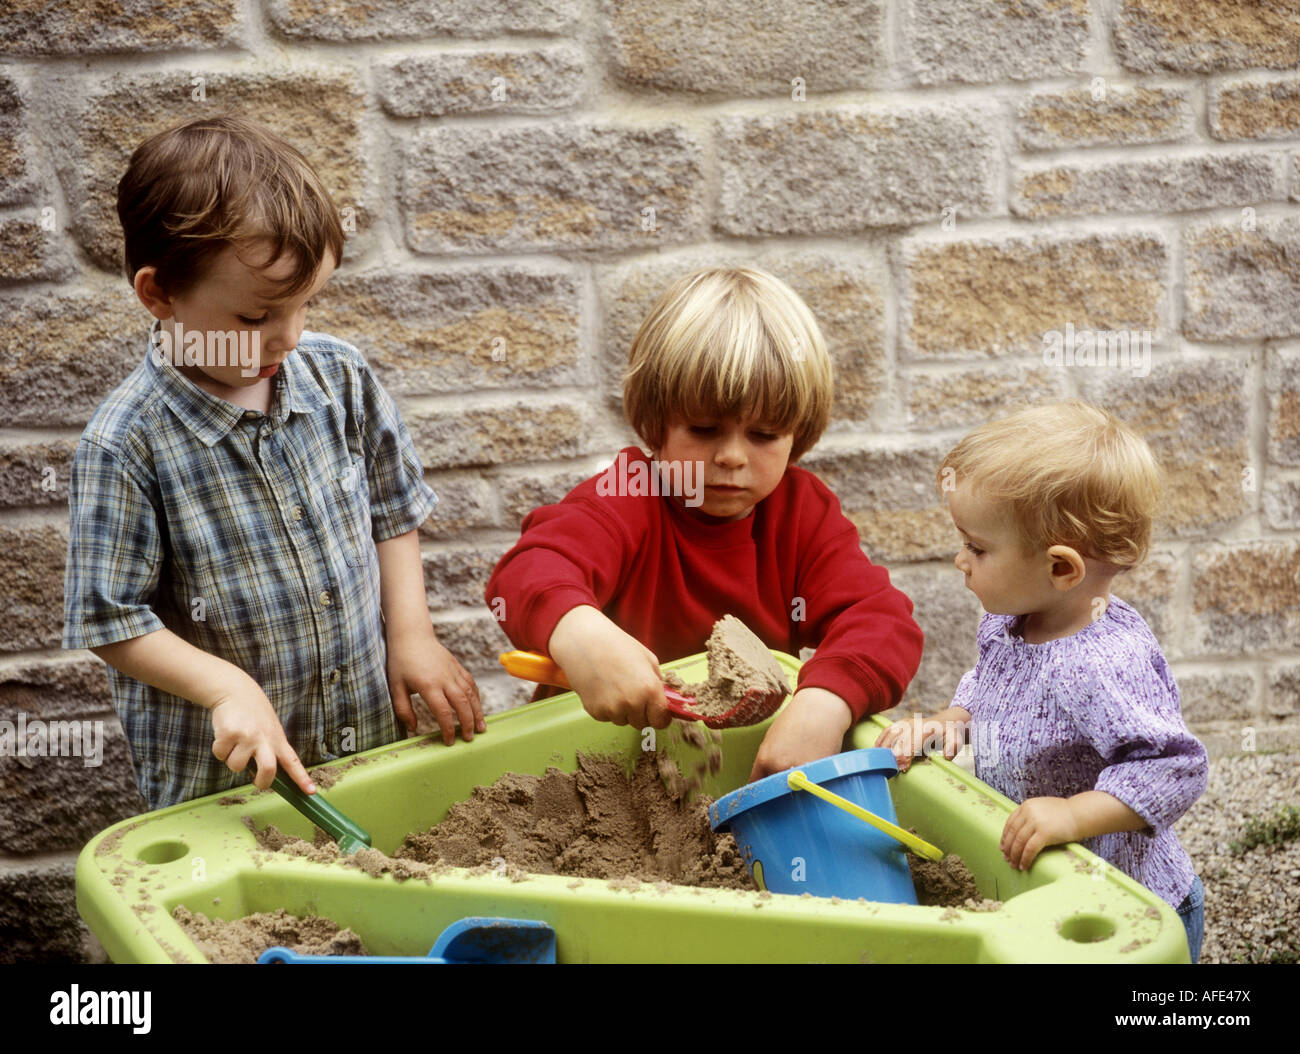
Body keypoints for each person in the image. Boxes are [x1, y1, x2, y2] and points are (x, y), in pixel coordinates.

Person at [63, 114, 483, 810]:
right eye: (256, 318)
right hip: (229, 787)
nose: (288, 336)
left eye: (306, 303)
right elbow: (109, 620)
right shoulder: (126, 442)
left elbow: (393, 508)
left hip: (368, 744)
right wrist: (227, 686)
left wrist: (412, 634)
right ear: (158, 294)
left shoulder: (339, 377)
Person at [485, 266, 924, 781]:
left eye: (763, 434)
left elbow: (883, 621)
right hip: (593, 766)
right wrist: (579, 634)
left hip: (736, 773)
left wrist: (826, 702)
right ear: (656, 423)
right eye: (703, 428)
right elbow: (528, 570)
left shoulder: (801, 515)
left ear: (797, 436)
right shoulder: (630, 494)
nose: (732, 457)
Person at [876, 400, 1208, 962]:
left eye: (977, 548)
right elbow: (990, 681)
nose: (960, 560)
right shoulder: (1011, 621)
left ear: (1061, 569)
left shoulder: (1100, 663)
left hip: (1128, 910)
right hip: (1053, 889)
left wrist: (1075, 812)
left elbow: (1175, 768)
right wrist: (956, 720)